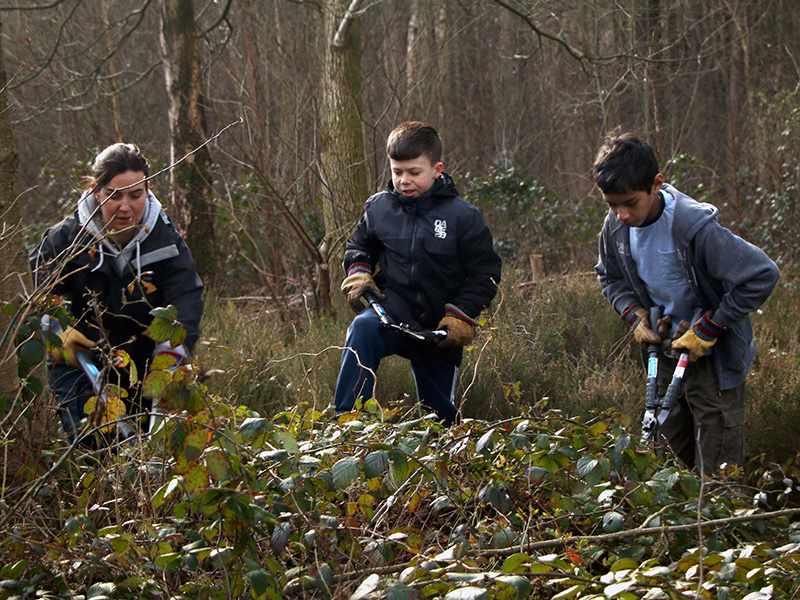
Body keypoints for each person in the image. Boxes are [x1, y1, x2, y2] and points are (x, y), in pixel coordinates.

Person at [593, 131, 780, 475]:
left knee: (718, 470)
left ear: (656, 184)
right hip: (664, 351)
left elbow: (763, 274)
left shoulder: (695, 228)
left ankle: (715, 526)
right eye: (611, 205)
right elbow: (611, 277)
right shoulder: (616, 229)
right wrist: (635, 315)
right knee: (665, 466)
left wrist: (711, 327)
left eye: (630, 203)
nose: (620, 214)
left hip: (714, 358)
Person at [30, 143, 204, 442]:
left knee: (161, 449)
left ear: (148, 189)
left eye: (135, 195)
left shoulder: (167, 242)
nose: (126, 207)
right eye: (114, 195)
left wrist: (173, 354)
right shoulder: (64, 239)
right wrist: (55, 333)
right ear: (96, 191)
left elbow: (186, 299)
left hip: (147, 361)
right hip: (82, 364)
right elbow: (32, 296)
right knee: (95, 446)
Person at [334, 121, 502, 426]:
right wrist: (358, 271)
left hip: (439, 325)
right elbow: (359, 245)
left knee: (440, 420)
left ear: (437, 169)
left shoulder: (463, 216)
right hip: (391, 309)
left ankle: (446, 456)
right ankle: (348, 426)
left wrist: (461, 314)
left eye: (414, 172)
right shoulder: (378, 208)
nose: (404, 181)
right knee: (362, 329)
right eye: (397, 172)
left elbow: (485, 273)